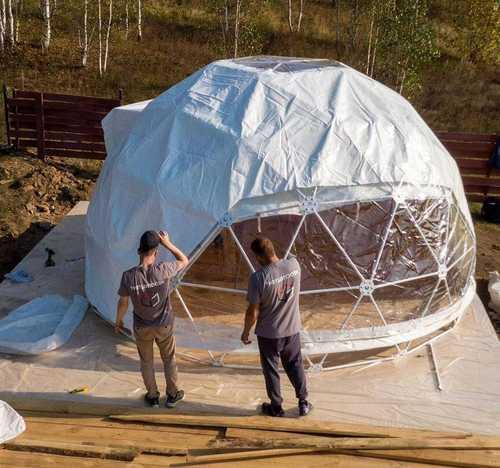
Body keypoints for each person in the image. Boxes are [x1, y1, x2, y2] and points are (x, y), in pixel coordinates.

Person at [116, 230, 189, 408]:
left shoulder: (128, 276)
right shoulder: (163, 269)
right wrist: (168, 244)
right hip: (164, 324)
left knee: (146, 362)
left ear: (139, 251)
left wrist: (118, 321)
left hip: (142, 327)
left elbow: (123, 303)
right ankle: (172, 395)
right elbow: (184, 260)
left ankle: (152, 396)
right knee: (169, 359)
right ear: (156, 252)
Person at [241, 236, 312, 417]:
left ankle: (276, 407)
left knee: (271, 370)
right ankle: (303, 402)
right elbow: (291, 256)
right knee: (295, 365)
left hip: (269, 334)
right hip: (292, 329)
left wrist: (246, 332)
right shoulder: (294, 265)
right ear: (273, 249)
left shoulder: (258, 278)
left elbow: (252, 311)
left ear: (258, 257)